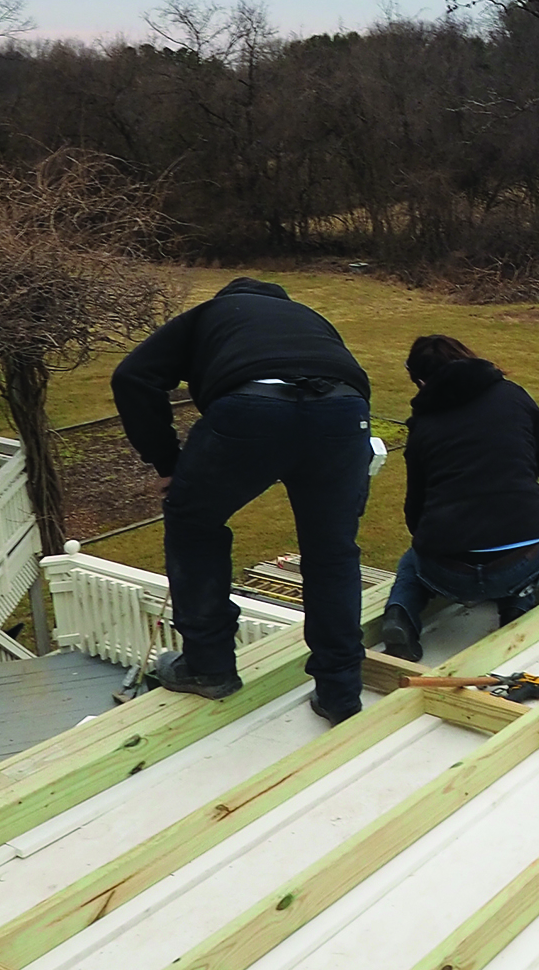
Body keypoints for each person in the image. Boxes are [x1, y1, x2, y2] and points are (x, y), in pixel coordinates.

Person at [112, 278, 374, 723]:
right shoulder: (309, 317)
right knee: (332, 554)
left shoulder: (211, 314)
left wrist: (167, 462)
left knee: (194, 523)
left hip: (253, 410)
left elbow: (132, 376)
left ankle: (208, 665)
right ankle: (340, 691)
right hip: (344, 415)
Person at [380, 335, 539, 663]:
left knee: (412, 560)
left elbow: (414, 510)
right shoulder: (513, 396)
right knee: (536, 518)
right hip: (519, 560)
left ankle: (400, 613)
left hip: (447, 570)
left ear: (421, 381)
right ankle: (516, 604)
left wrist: (440, 542)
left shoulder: (422, 425)